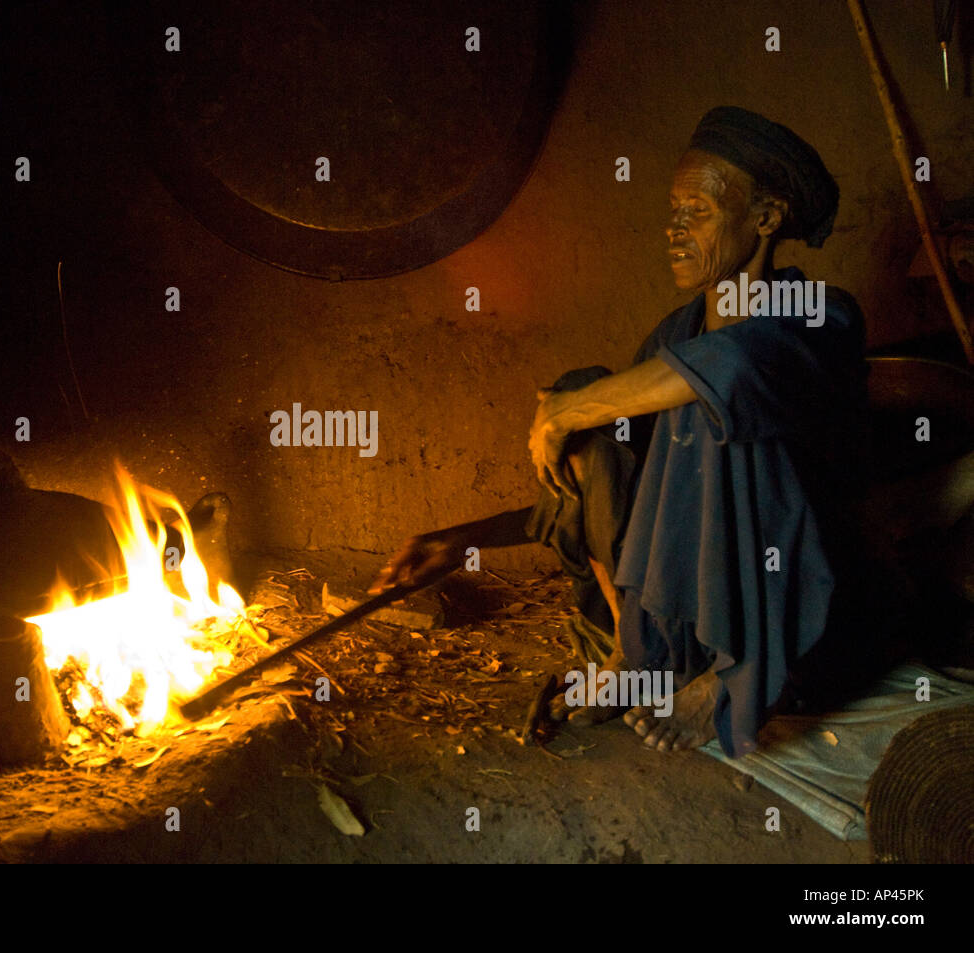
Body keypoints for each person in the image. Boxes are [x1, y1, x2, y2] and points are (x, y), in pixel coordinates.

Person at [370, 106, 898, 758]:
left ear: (766, 219)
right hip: (678, 630)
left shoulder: (821, 314)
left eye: (697, 212)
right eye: (672, 211)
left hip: (800, 626)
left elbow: (734, 367)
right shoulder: (674, 339)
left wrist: (565, 409)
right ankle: (637, 655)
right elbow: (619, 484)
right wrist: (466, 538)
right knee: (606, 407)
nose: (673, 231)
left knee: (707, 397)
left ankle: (739, 679)